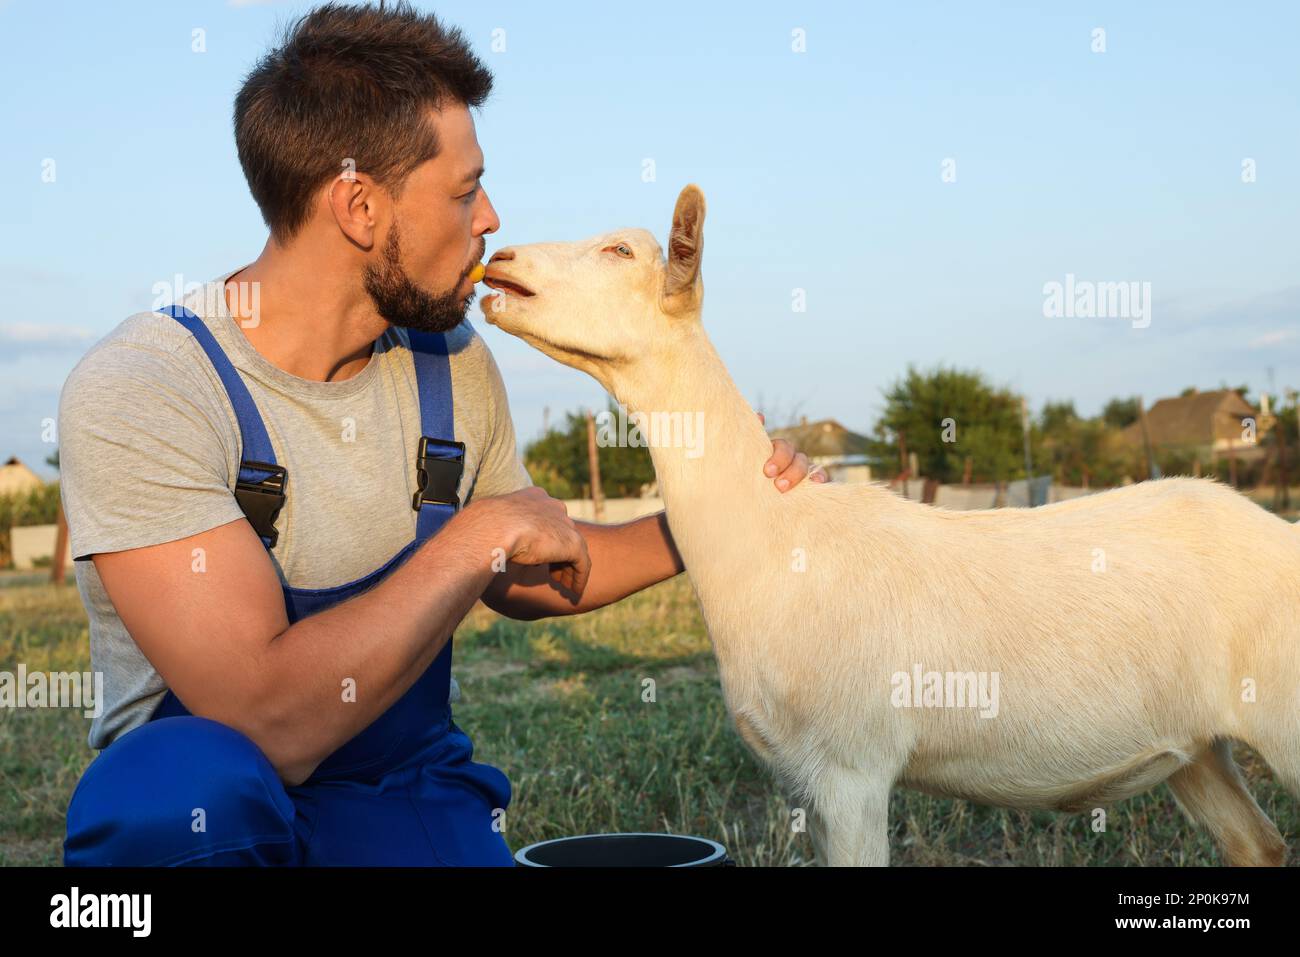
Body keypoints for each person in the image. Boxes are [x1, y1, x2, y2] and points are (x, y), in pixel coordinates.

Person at [58, 0, 827, 867]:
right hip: (227, 807)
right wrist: (475, 537)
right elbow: (265, 718)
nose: (491, 216)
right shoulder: (147, 388)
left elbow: (529, 568)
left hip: (403, 787)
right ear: (359, 207)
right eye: (464, 190)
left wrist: (717, 513)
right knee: (182, 794)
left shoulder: (449, 360)